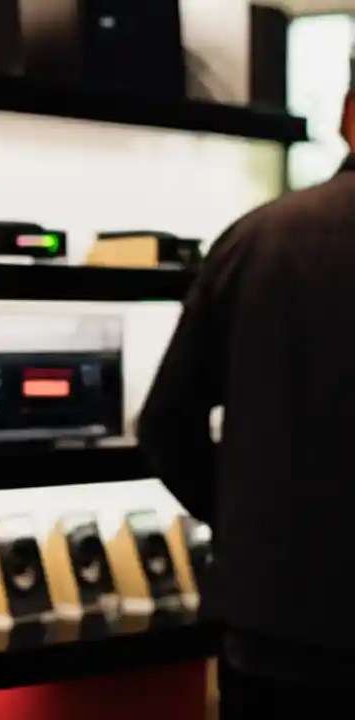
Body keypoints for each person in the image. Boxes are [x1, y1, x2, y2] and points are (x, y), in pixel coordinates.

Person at [138, 79, 355, 714]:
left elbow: (165, 425)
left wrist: (247, 521)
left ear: (348, 117)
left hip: (276, 623)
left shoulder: (257, 238)